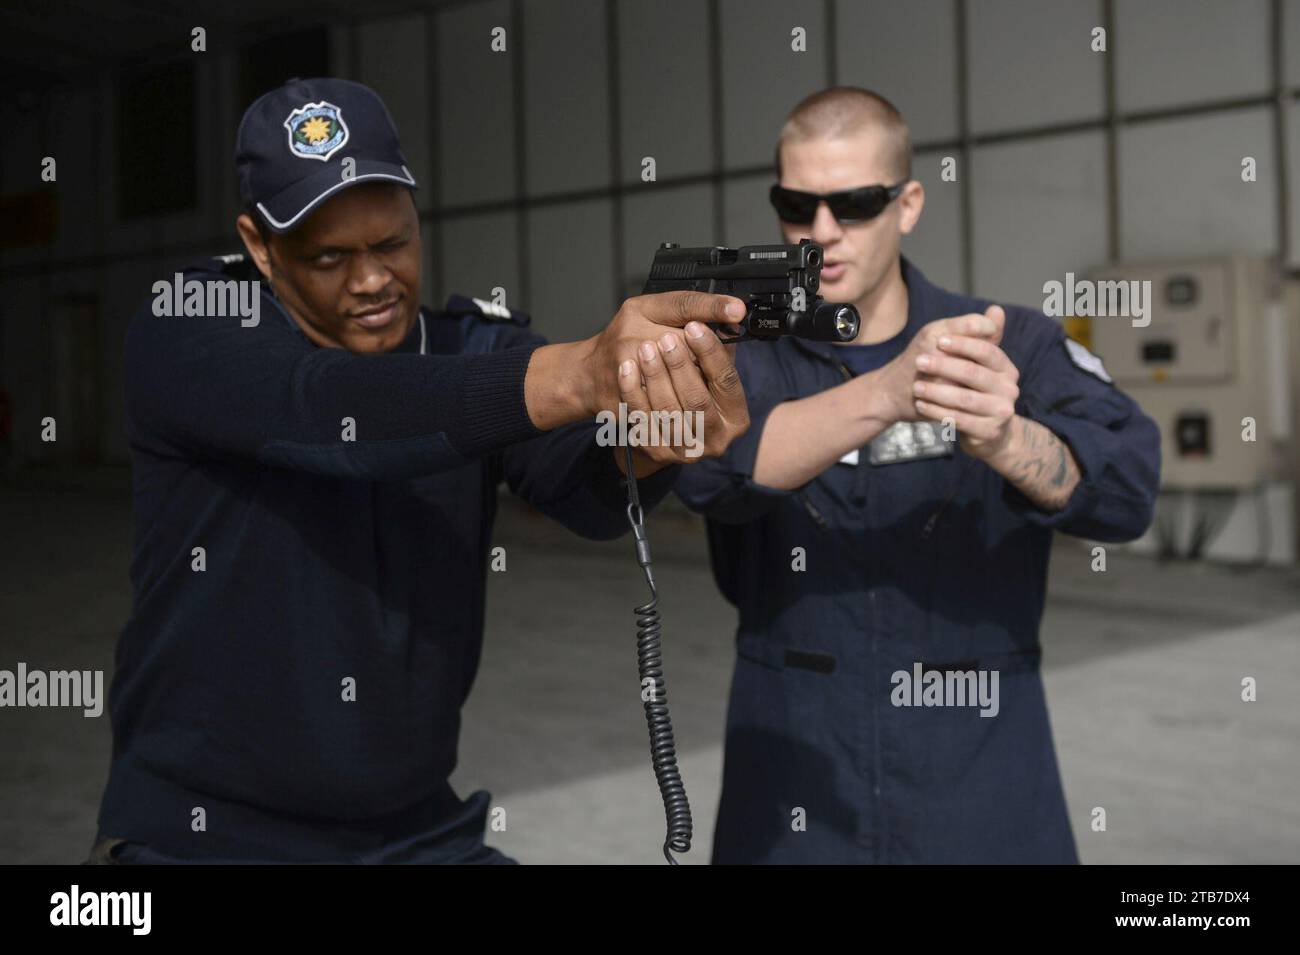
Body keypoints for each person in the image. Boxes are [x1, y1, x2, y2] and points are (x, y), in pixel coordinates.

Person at [88, 77, 749, 864]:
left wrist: (660, 423)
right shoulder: (189, 323)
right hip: (201, 835)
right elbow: (334, 407)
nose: (371, 280)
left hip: (412, 833)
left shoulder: (472, 347)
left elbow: (587, 492)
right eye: (328, 255)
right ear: (259, 247)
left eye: (391, 243)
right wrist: (583, 372)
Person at [675, 87, 1161, 864]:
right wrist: (887, 392)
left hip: (980, 780)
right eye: (796, 206)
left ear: (908, 204)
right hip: (797, 778)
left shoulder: (1009, 344)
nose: (822, 233)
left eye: (855, 204)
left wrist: (1006, 438)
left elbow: (1129, 486)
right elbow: (702, 472)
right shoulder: (746, 355)